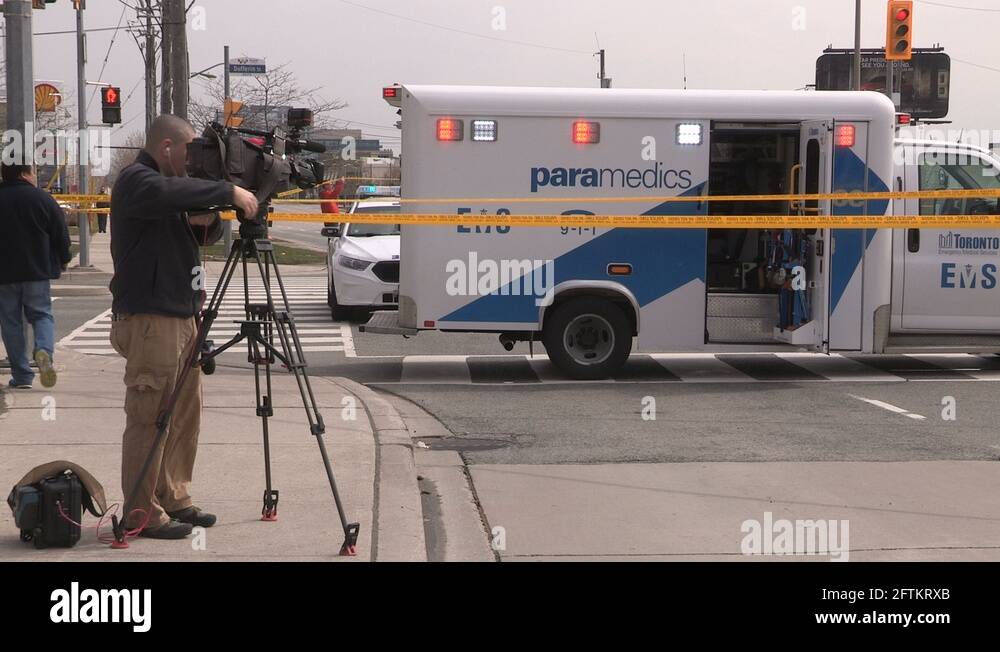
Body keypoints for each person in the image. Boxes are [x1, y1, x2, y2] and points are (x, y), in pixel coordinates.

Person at [110, 114, 258, 540]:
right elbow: (165, 193)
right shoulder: (138, 180)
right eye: (189, 148)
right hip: (152, 319)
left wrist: (212, 217)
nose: (194, 158)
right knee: (149, 416)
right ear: (167, 147)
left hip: (181, 316)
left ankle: (173, 497)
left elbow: (193, 235)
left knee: (182, 417)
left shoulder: (169, 194)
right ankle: (141, 513)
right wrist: (228, 190)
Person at [0, 163, 71, 390]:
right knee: (41, 315)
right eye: (33, 172)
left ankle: (21, 376)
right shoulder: (42, 199)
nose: (34, 176)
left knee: (10, 323)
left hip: (4, 274)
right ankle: (44, 351)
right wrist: (64, 257)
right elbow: (60, 232)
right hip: (36, 271)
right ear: (23, 174)